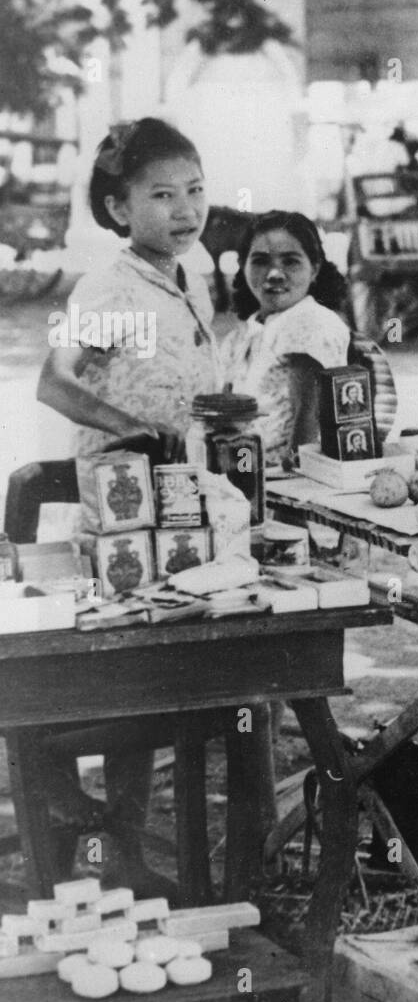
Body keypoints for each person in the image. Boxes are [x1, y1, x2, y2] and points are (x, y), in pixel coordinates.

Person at [37, 117, 220, 897]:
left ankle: (124, 844)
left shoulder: (184, 274)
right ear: (118, 210)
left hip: (175, 508)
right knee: (131, 681)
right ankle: (52, 778)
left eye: (195, 191)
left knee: (155, 682)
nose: (186, 210)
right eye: (162, 196)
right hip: (122, 510)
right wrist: (129, 429)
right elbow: (55, 381)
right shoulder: (112, 287)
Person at [220, 211, 352, 468]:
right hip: (243, 474)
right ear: (244, 266)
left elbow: (308, 421)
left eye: (290, 261)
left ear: (314, 269)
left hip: (286, 483)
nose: (274, 274)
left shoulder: (311, 322)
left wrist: (288, 490)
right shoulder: (243, 334)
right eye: (260, 261)